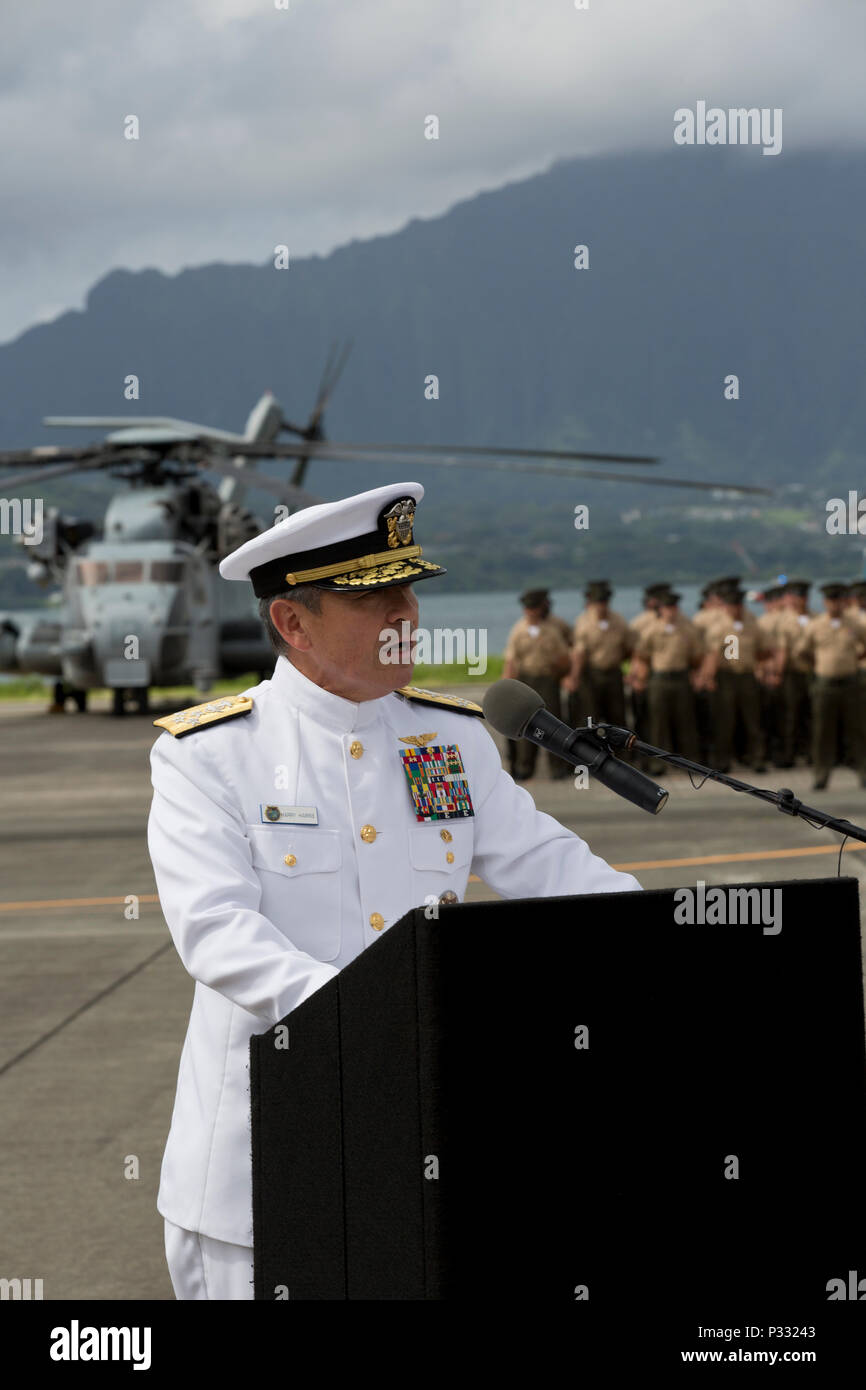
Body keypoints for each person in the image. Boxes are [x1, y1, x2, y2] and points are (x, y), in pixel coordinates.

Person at [146, 482, 641, 1300]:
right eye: (376, 596)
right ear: (293, 623)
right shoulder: (210, 756)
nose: (406, 611)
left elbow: (552, 866)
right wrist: (383, 1018)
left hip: (423, 1152)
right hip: (266, 1167)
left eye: (410, 589)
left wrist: (681, 936)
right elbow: (217, 932)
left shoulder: (443, 736)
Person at [793, 582, 866, 790]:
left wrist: (855, 658)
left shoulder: (854, 624)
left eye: (839, 600)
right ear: (825, 603)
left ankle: (863, 772)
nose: (835, 605)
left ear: (844, 602)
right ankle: (821, 775)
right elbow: (800, 651)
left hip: (851, 683)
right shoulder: (816, 625)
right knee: (823, 732)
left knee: (858, 730)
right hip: (825, 684)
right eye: (831, 601)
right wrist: (816, 665)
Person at [699, 584, 775, 773]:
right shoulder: (719, 627)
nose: (736, 608)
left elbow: (763, 650)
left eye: (739, 604)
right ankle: (722, 760)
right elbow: (712, 655)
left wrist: (766, 669)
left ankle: (757, 758)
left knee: (752, 720)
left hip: (747, 675)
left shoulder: (752, 625)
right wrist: (708, 677)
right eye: (732, 605)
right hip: (726, 676)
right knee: (725, 721)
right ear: (726, 606)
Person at [629, 588, 703, 772]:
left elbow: (696, 656)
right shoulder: (651, 630)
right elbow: (641, 655)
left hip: (681, 678)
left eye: (674, 606)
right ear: (661, 609)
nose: (671, 610)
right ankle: (657, 763)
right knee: (658, 724)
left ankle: (689, 763)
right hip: (659, 680)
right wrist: (639, 678)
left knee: (686, 722)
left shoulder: (687, 629)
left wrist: (697, 674)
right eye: (667, 607)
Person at [502, 587, 572, 780]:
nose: (530, 612)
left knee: (554, 723)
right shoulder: (519, 629)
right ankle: (525, 767)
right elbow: (511, 660)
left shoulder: (552, 630)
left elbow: (564, 658)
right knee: (524, 724)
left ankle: (557, 766)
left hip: (547, 679)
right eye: (528, 609)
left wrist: (563, 674)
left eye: (534, 608)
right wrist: (506, 685)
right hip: (526, 678)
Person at [564, 580, 633, 732]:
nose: (602, 605)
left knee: (617, 717)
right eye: (599, 602)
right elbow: (578, 654)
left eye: (604, 602)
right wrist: (574, 677)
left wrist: (631, 672)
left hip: (614, 674)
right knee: (590, 717)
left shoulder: (618, 621)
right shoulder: (583, 622)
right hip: (591, 675)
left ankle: (621, 753)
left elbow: (629, 648)